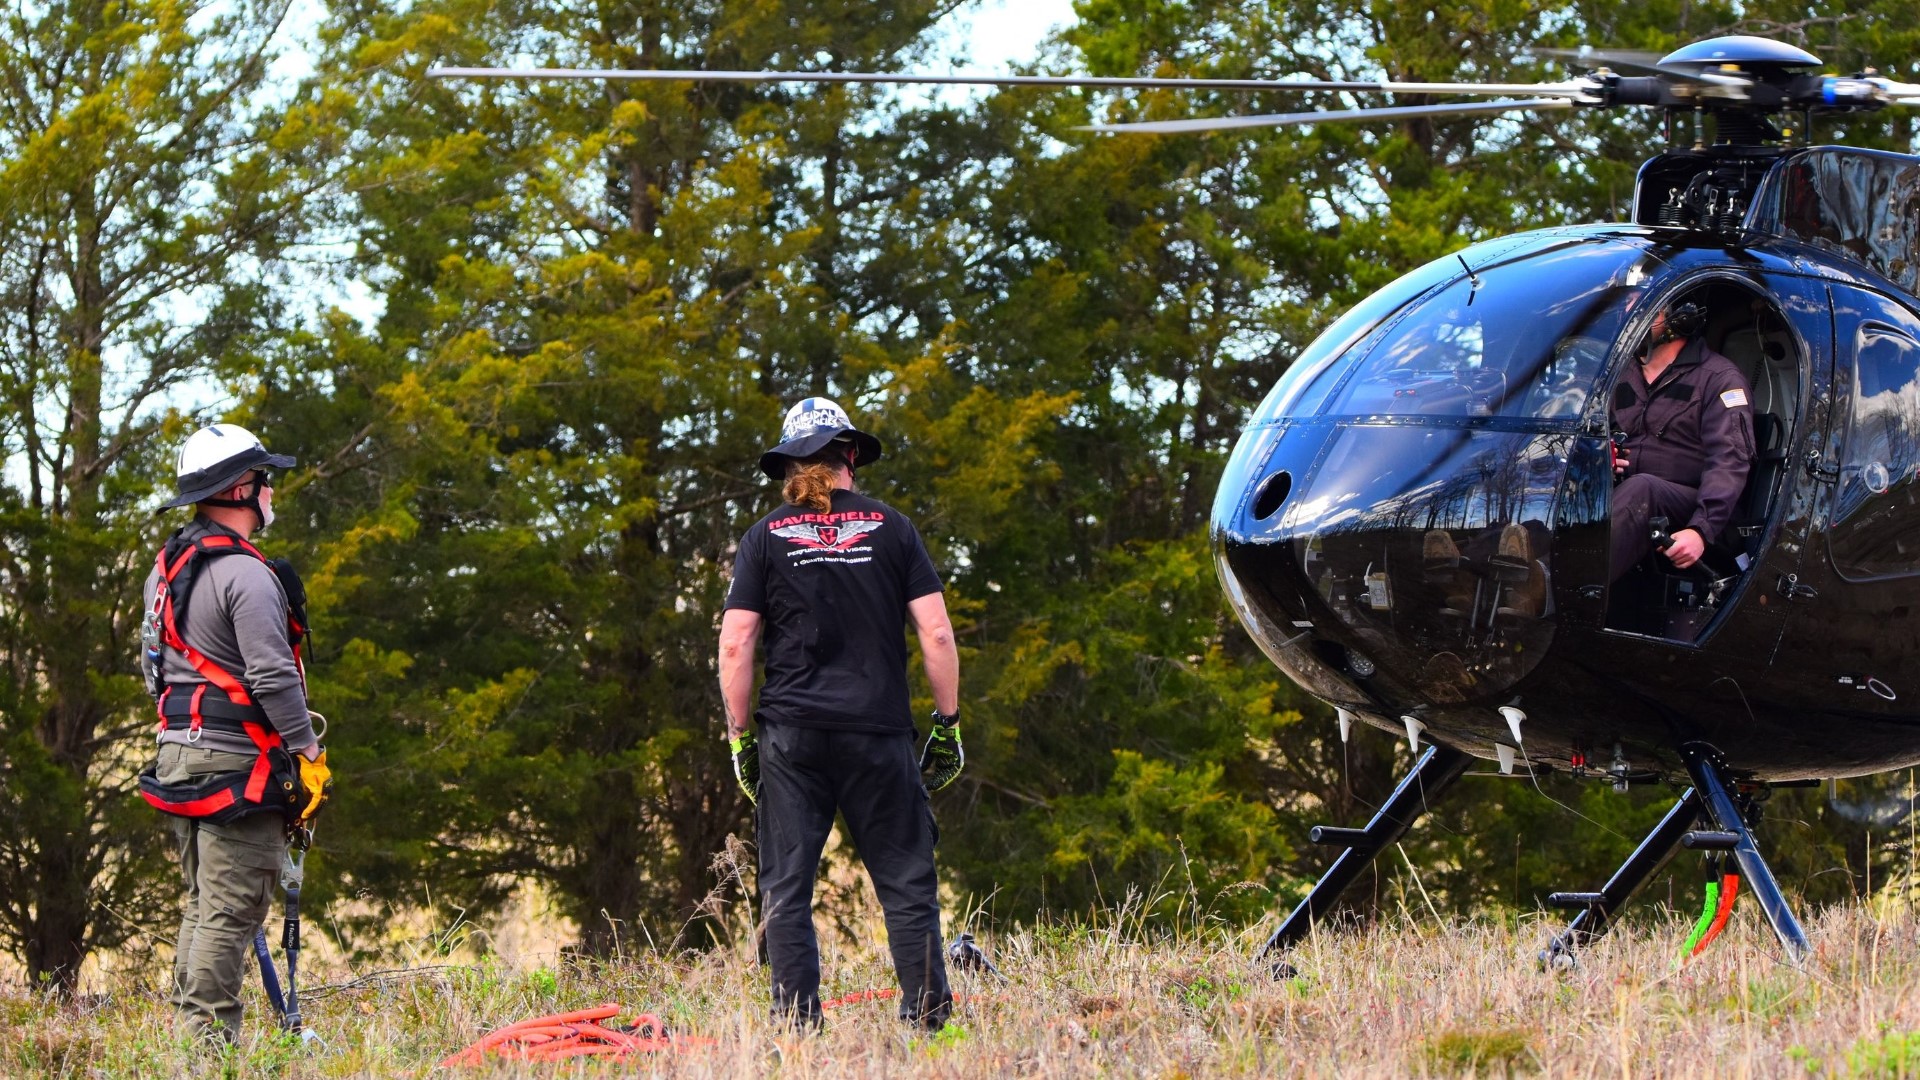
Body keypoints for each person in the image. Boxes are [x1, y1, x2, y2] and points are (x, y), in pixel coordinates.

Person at [717, 397, 964, 1031]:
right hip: (878, 735)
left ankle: (797, 1028)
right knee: (907, 880)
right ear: (850, 455)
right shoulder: (894, 528)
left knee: (785, 888)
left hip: (791, 737)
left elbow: (737, 642)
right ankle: (928, 1024)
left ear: (789, 467)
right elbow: (936, 635)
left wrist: (740, 737)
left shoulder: (762, 538)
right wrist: (947, 724)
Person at [138, 423, 330, 1044]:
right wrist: (307, 752)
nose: (272, 492)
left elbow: (153, 669)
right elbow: (274, 676)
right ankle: (208, 1050)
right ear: (241, 488)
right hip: (239, 768)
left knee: (203, 906)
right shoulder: (246, 575)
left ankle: (193, 1039)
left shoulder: (166, 570)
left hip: (177, 755)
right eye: (265, 480)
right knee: (231, 911)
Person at [1609, 300, 1756, 582]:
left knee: (1643, 488)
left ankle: (1554, 594)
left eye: (1642, 306)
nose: (1627, 313)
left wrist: (1701, 529)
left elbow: (1729, 460)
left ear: (1679, 317)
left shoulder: (1720, 379)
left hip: (1694, 506)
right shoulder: (1618, 376)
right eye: (1625, 305)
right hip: (1626, 500)